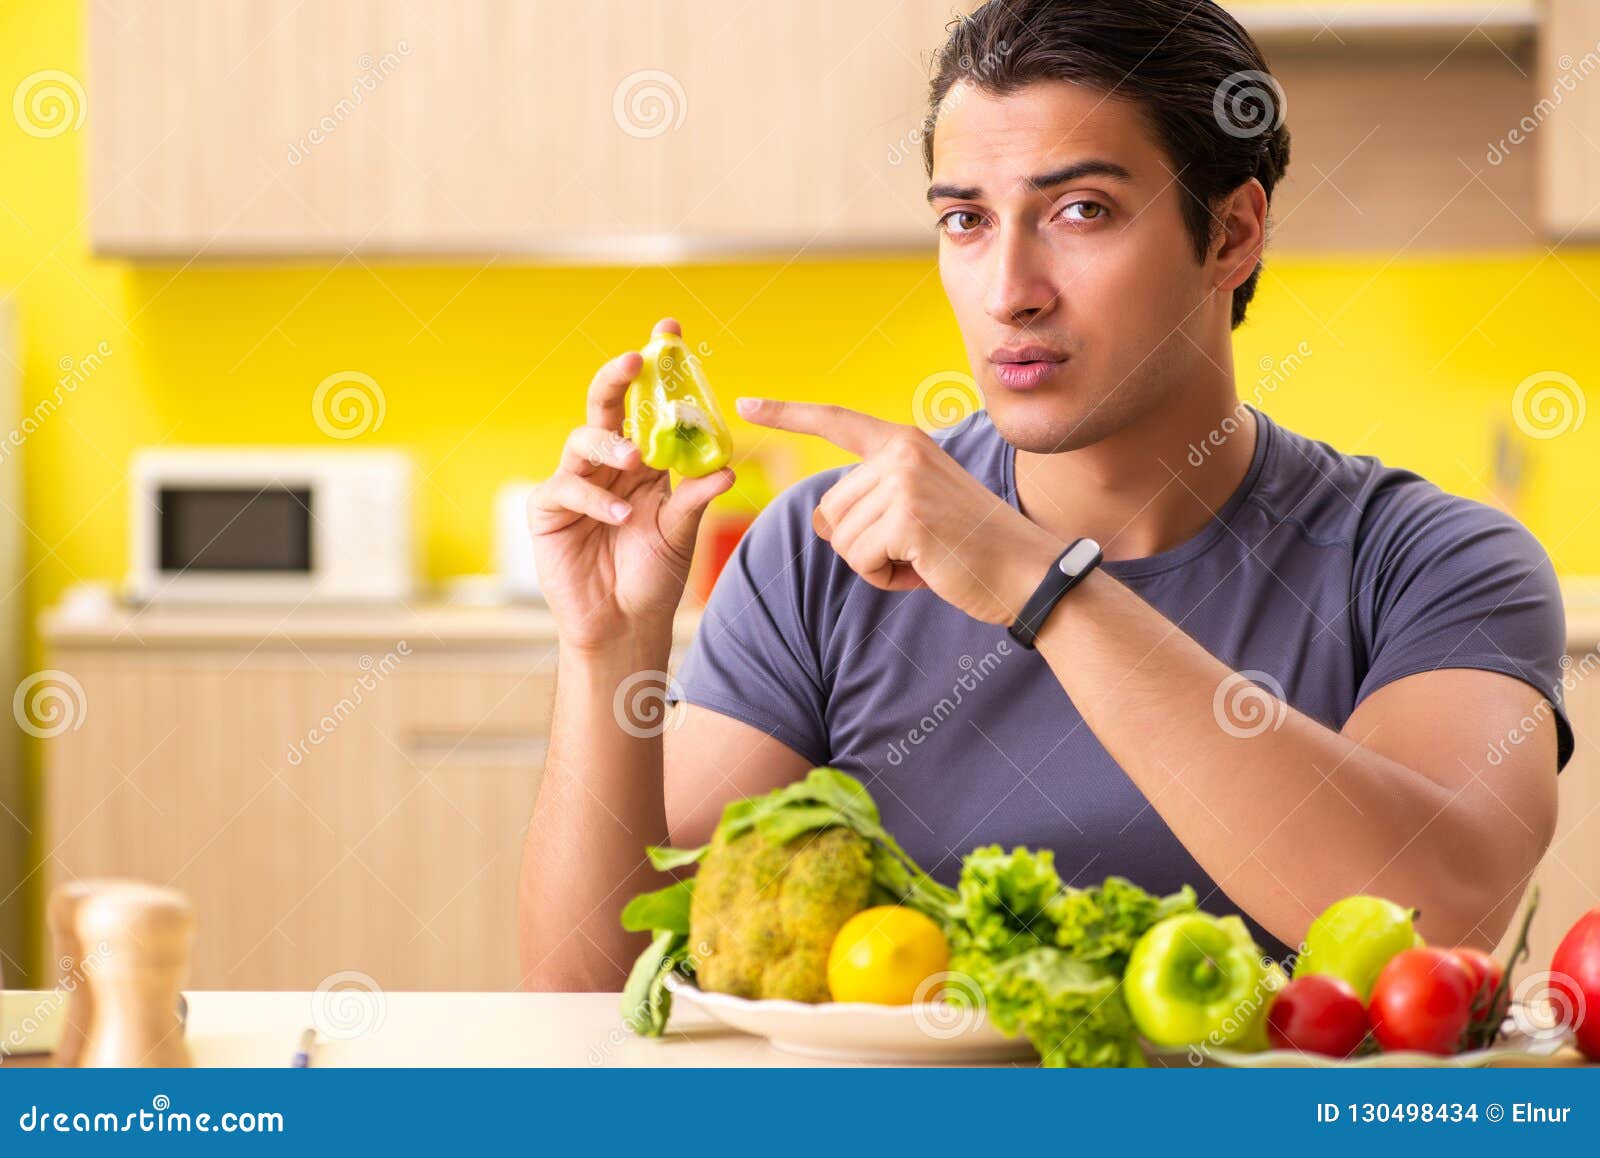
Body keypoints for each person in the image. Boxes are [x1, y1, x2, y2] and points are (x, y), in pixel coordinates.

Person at [519, 0, 1569, 985]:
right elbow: (593, 992)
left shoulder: (1433, 562)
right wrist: (608, 643)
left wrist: (1038, 584)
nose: (1010, 290)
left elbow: (1430, 922)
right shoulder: (818, 552)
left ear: (1233, 234)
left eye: (1080, 209)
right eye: (966, 221)